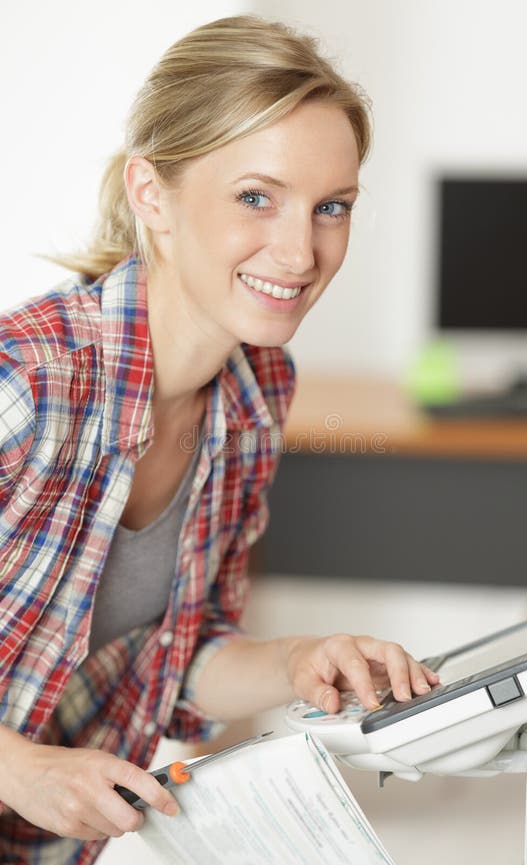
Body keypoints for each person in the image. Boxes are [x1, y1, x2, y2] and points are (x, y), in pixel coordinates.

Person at [0, 15, 438, 864]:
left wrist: (303, 657)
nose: (300, 251)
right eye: (256, 197)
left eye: (331, 207)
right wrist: (18, 768)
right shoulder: (28, 381)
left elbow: (181, 655)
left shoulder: (258, 390)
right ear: (151, 193)